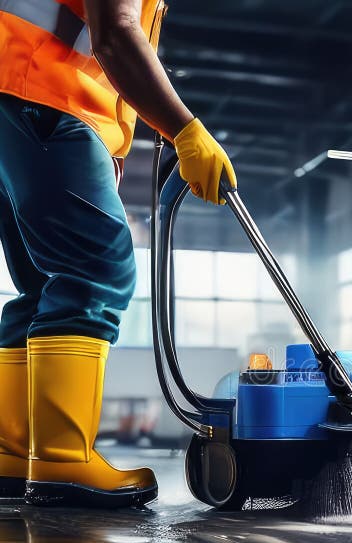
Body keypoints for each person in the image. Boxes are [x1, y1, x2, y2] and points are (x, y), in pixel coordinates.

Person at [0, 0, 236, 508]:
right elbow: (115, 36)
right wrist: (185, 129)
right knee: (95, 269)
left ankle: (14, 451)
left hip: (18, 97)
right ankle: (61, 458)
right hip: (46, 94)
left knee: (43, 285)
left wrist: (116, 144)